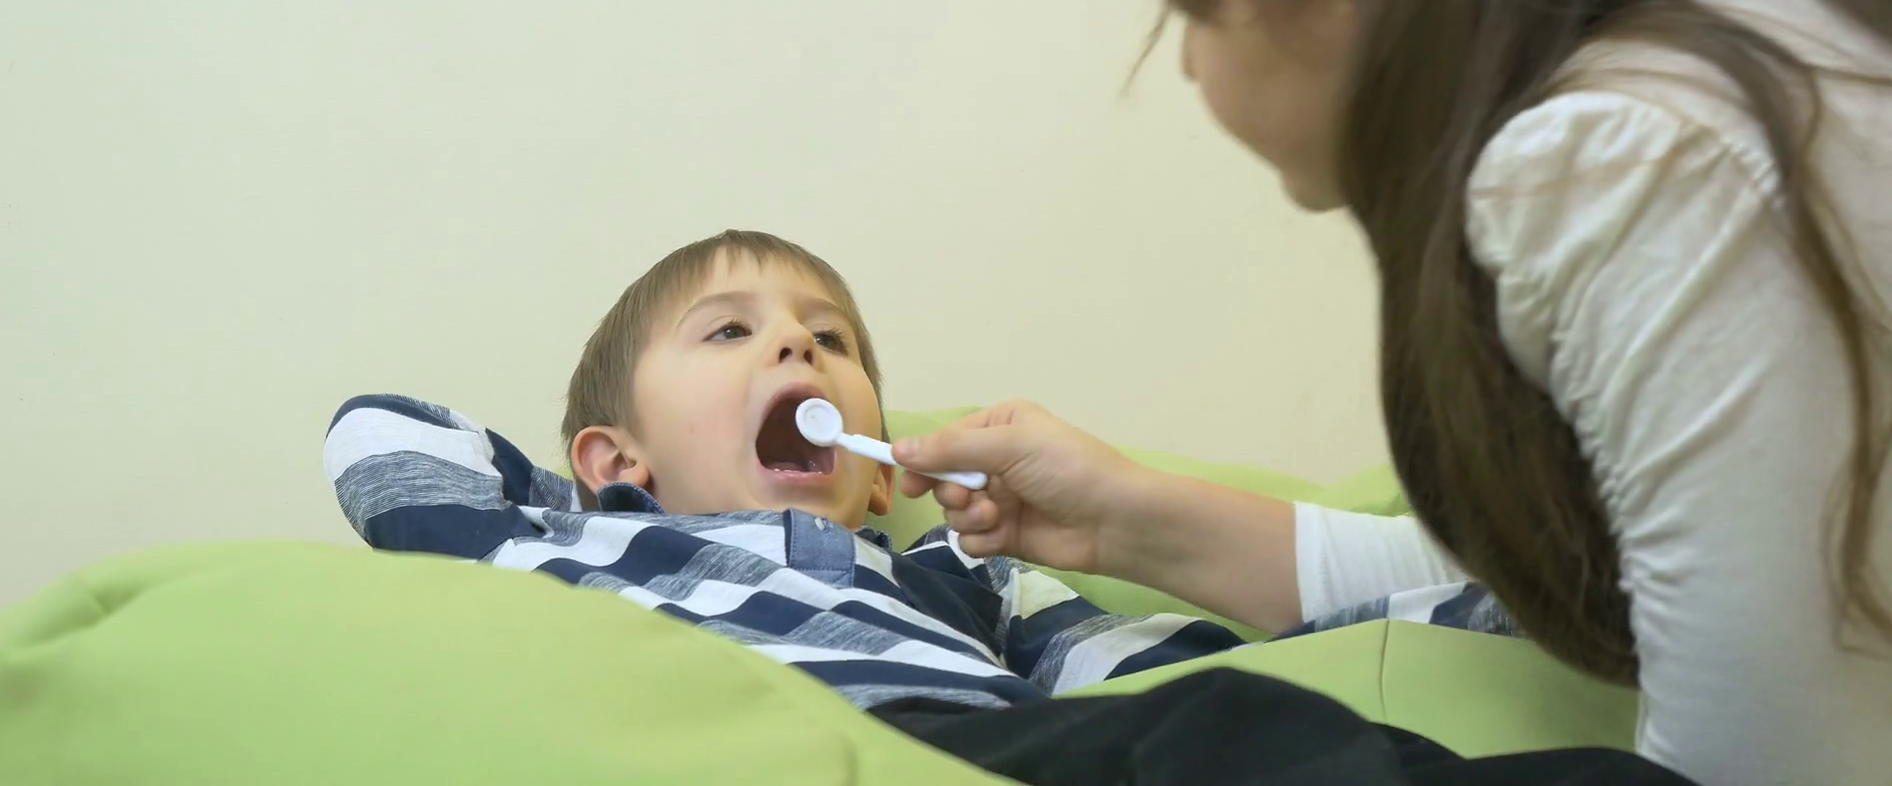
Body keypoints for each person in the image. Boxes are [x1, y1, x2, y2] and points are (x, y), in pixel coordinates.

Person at [892, 0, 1892, 784]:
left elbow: (1767, 761)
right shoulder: (1731, 69)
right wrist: (1131, 521)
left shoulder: (1636, 159)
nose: (1190, 70)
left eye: (1191, 4)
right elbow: (1631, 568)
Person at [324, 229, 1685, 784]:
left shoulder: (958, 577)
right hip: (859, 754)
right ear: (613, 455)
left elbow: (1151, 685)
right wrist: (596, 497)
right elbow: (384, 442)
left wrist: (1491, 603)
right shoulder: (589, 546)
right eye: (731, 335)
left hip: (1020, 748)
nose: (799, 355)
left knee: (1248, 723)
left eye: (830, 336)